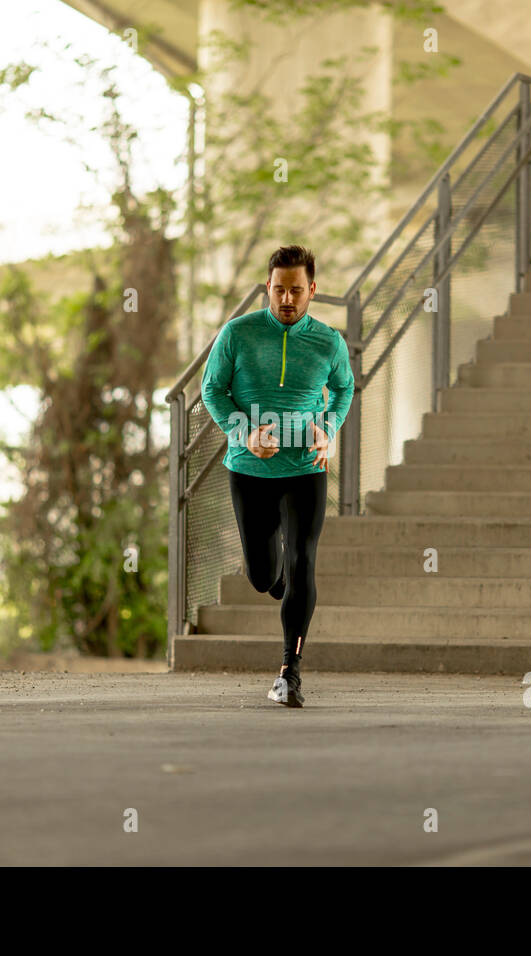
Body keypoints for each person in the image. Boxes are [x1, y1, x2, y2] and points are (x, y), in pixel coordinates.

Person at [200, 245, 355, 707]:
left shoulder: (329, 342)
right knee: (263, 575)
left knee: (303, 558)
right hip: (249, 469)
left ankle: (290, 670)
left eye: (296, 290)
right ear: (267, 287)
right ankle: (284, 585)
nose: (287, 299)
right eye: (278, 289)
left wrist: (328, 427)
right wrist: (243, 431)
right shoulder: (238, 334)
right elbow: (212, 389)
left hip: (306, 468)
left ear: (313, 290)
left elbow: (344, 389)